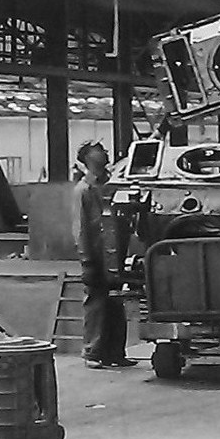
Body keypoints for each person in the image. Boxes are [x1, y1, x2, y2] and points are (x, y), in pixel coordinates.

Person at [76, 140, 134, 369]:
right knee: (96, 303)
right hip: (97, 256)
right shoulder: (84, 190)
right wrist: (86, 260)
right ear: (88, 157)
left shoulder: (112, 183)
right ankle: (92, 352)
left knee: (115, 304)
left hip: (115, 253)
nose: (106, 152)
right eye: (99, 150)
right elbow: (80, 228)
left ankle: (115, 353)